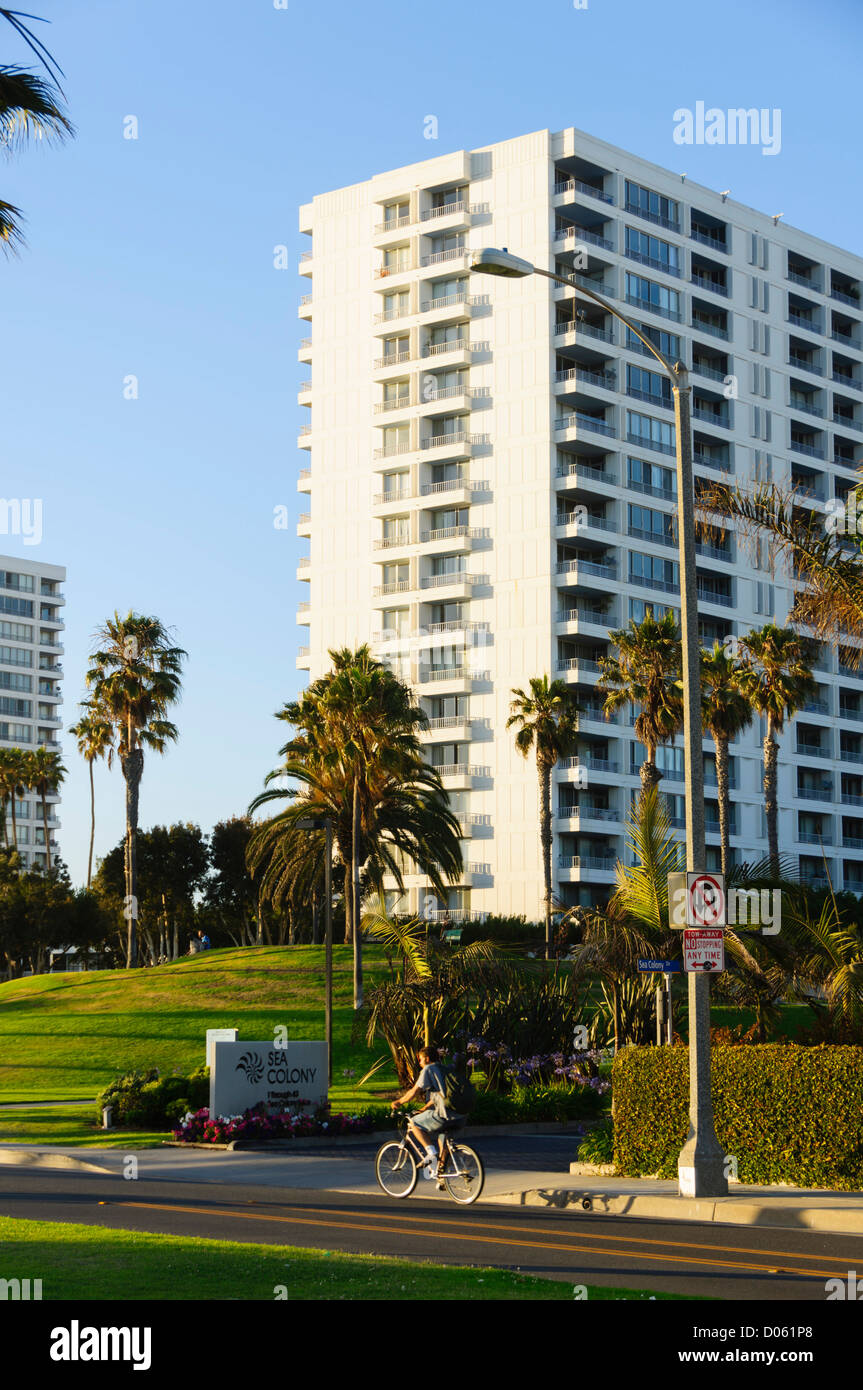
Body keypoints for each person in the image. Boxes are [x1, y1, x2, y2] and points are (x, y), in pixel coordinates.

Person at [390, 1045, 454, 1180]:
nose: (419, 1062)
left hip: (443, 1113)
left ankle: (431, 1154)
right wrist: (423, 1109)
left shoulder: (429, 1069)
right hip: (458, 1113)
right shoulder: (446, 1069)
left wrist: (399, 1102)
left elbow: (414, 1091)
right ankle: (441, 1177)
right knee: (443, 1141)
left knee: (414, 1122)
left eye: (420, 1059)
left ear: (427, 1058)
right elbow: (440, 1095)